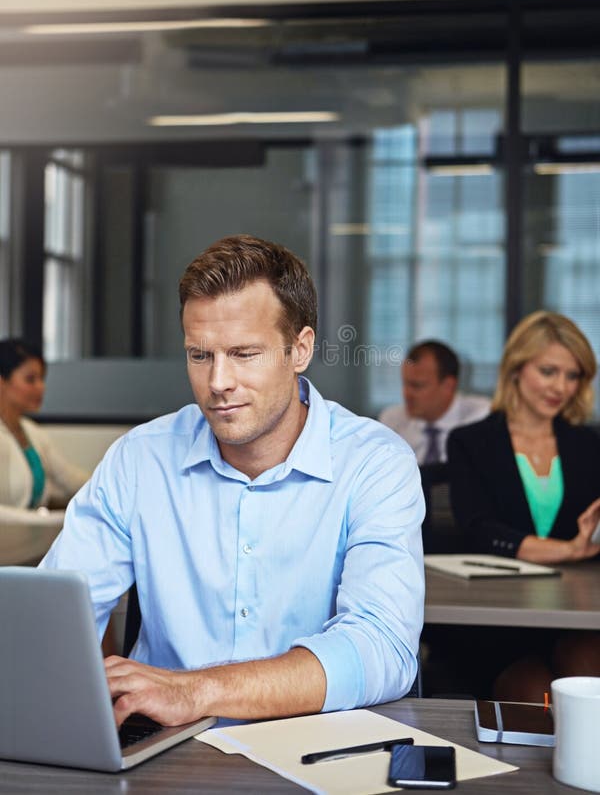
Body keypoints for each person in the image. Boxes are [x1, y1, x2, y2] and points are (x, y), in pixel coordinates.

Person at [41, 234, 424, 727]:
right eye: (200, 355)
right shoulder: (140, 459)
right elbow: (51, 619)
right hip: (163, 749)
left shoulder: (374, 462)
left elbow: (383, 647)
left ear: (300, 350)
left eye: (243, 354)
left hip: (312, 744)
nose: (218, 382)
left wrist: (197, 691)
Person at [448, 311, 600, 699]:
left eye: (573, 375)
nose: (561, 387)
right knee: (533, 694)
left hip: (575, 611)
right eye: (549, 371)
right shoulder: (471, 442)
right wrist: (566, 550)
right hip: (498, 619)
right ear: (516, 368)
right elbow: (478, 528)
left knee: (587, 668)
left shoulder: (589, 445)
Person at [0, 338, 89, 524]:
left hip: (28, 537)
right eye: (30, 379)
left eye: (42, 379)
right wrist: (49, 521)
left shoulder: (32, 432)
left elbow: (69, 479)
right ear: (2, 381)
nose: (41, 387)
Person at [379, 340, 489, 464]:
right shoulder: (392, 421)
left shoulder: (482, 418)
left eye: (417, 386)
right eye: (405, 384)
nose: (406, 394)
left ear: (448, 386)